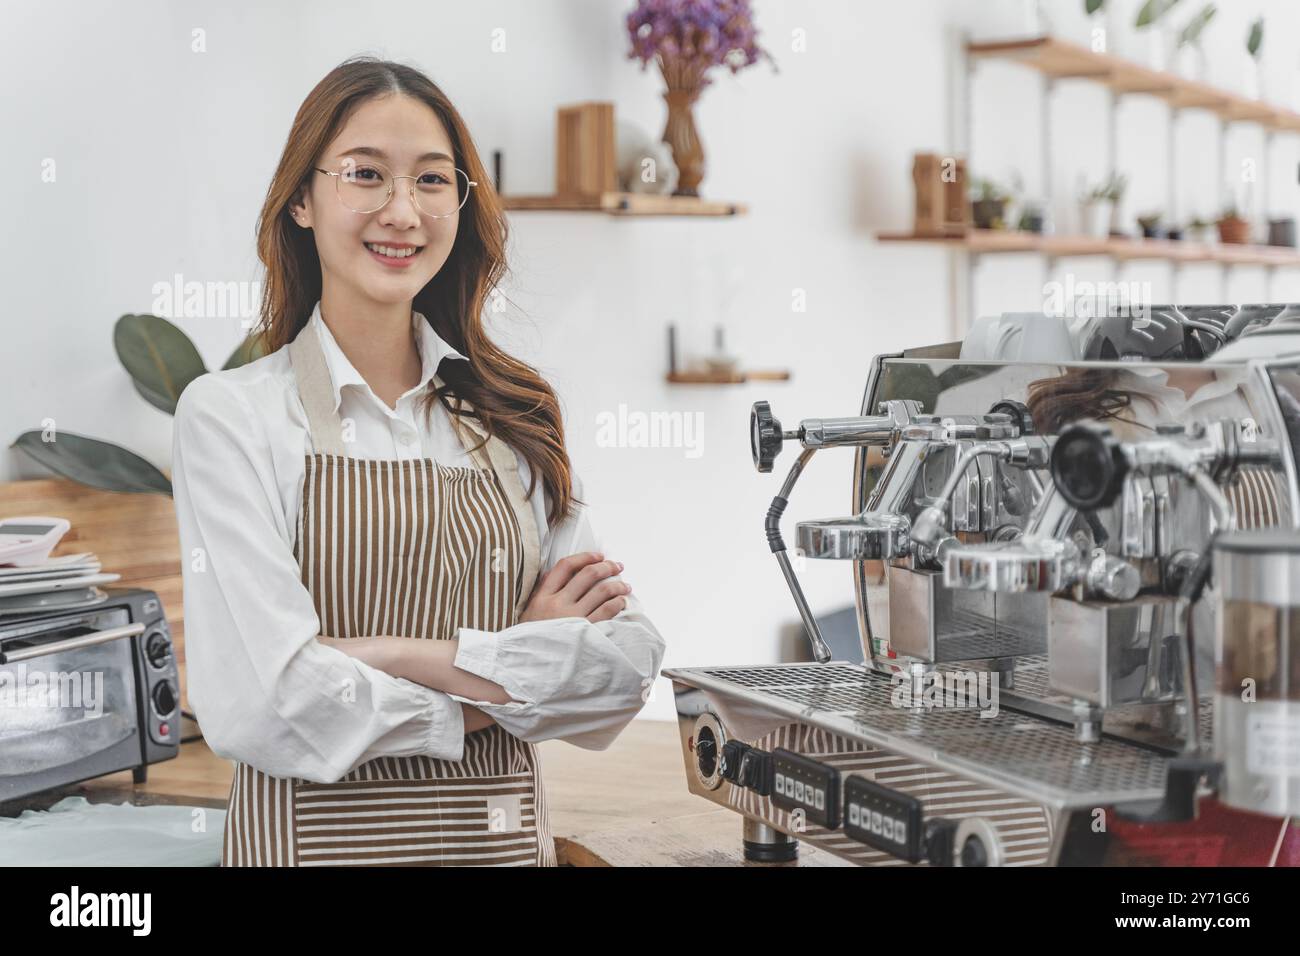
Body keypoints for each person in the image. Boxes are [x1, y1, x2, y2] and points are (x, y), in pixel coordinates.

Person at [171, 56, 666, 867]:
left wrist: (387, 656)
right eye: (365, 174)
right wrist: (517, 668)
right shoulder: (230, 417)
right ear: (301, 198)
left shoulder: (516, 419)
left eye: (433, 181)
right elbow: (271, 705)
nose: (403, 211)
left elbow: (626, 669)